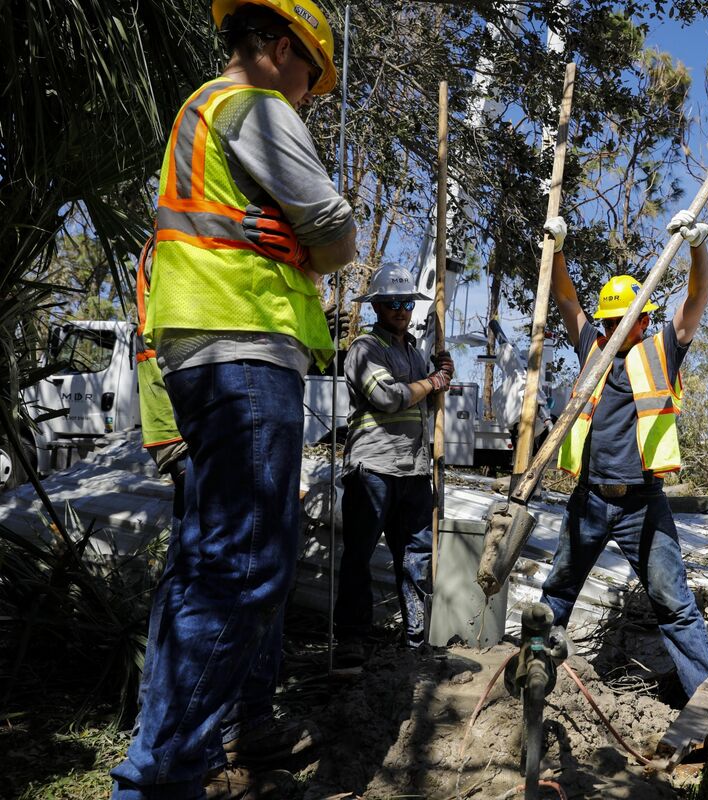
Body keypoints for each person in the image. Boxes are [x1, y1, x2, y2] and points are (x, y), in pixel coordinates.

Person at [111, 0, 356, 797]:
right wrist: (317, 254)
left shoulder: (199, 112)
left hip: (203, 352)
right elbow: (333, 226)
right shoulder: (254, 105)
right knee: (248, 568)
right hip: (243, 347)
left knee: (203, 567)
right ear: (282, 47)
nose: (310, 98)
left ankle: (174, 755)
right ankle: (165, 777)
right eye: (312, 80)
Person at [538, 210, 708, 699]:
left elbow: (697, 296)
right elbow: (565, 297)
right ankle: (531, 679)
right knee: (556, 593)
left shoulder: (662, 347)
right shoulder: (591, 349)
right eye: (610, 321)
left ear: (644, 317)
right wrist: (557, 249)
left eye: (626, 320)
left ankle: (706, 703)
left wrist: (697, 246)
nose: (617, 328)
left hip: (642, 505)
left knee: (674, 604)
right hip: (590, 500)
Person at [332, 263, 454, 664]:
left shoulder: (415, 354)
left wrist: (441, 374)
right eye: (392, 304)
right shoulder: (365, 349)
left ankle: (416, 641)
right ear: (378, 307)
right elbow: (387, 397)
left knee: (416, 559)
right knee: (358, 558)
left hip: (414, 471)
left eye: (406, 303)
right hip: (374, 470)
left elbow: (427, 397)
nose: (401, 310)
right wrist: (433, 382)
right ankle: (352, 641)